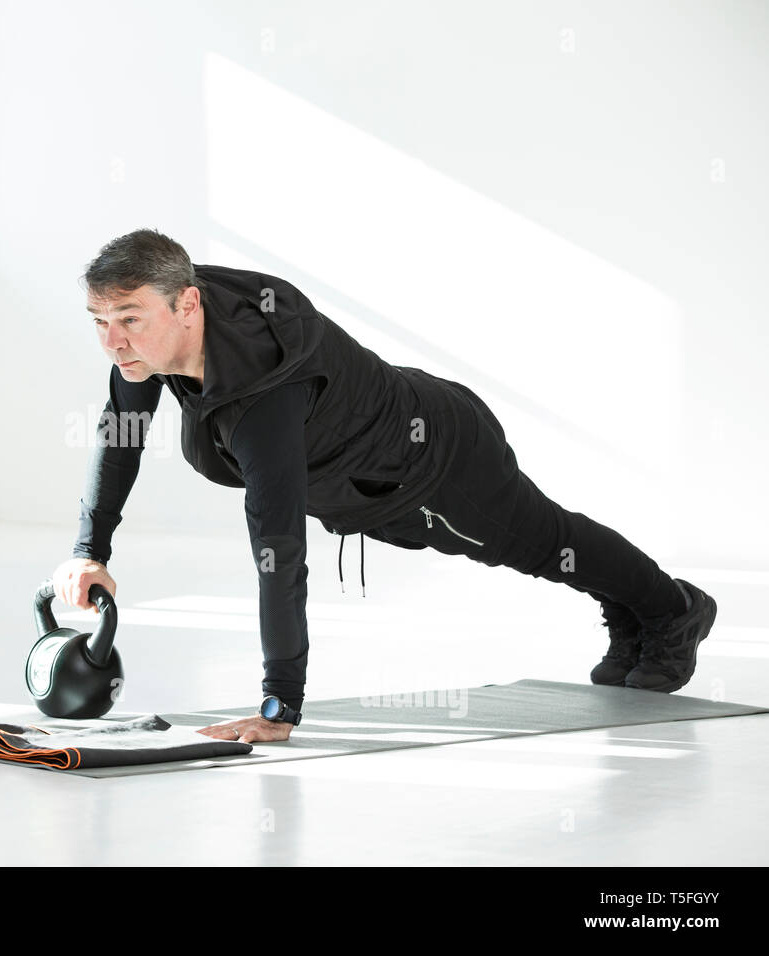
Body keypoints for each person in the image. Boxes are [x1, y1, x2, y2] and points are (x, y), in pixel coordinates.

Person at [52, 228, 718, 745]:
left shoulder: (264, 396)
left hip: (439, 467)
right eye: (98, 321)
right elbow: (121, 439)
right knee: (549, 544)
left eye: (130, 319)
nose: (112, 341)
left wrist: (280, 702)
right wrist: (91, 550)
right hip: (374, 461)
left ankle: (670, 608)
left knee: (545, 544)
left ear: (187, 302)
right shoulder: (154, 337)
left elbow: (278, 548)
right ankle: (637, 614)